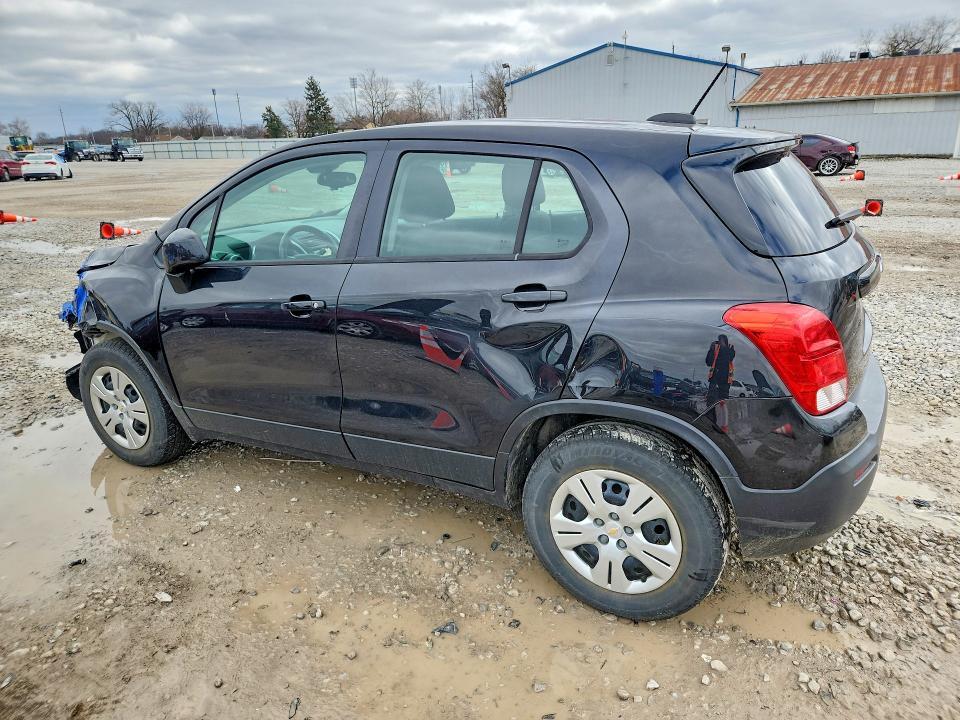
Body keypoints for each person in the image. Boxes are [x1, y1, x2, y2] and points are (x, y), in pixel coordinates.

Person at [705, 334, 735, 433]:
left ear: (726, 341)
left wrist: (723, 347)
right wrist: (711, 349)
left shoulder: (730, 348)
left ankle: (724, 426)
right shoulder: (714, 348)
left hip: (725, 381)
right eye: (719, 340)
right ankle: (710, 423)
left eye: (722, 340)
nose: (720, 342)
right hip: (714, 379)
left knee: (723, 403)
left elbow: (729, 358)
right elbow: (708, 362)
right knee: (710, 402)